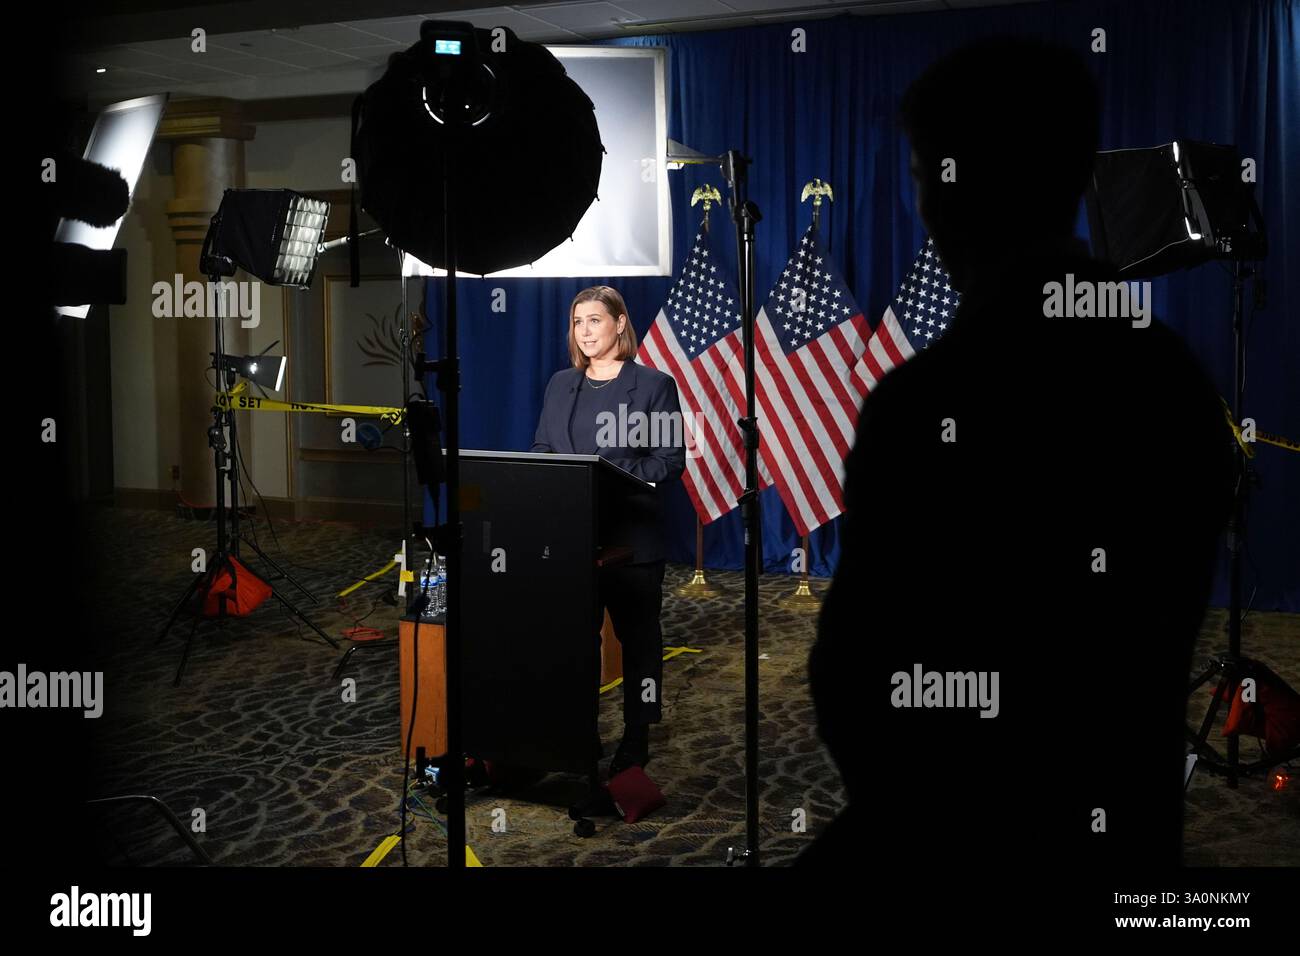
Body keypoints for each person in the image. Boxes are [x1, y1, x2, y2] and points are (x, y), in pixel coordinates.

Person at [803, 38, 1235, 870]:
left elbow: (858, 686)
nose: (923, 202)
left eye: (926, 173)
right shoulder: (1174, 382)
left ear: (950, 188)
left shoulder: (930, 404)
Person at [531, 285, 686, 775]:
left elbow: (669, 460)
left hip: (631, 541)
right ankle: (580, 731)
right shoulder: (560, 383)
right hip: (573, 537)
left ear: (620, 323)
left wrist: (620, 475)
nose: (585, 331)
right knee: (575, 640)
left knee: (638, 640)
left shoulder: (655, 384)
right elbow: (543, 449)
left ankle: (637, 736)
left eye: (595, 320)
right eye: (578, 322)